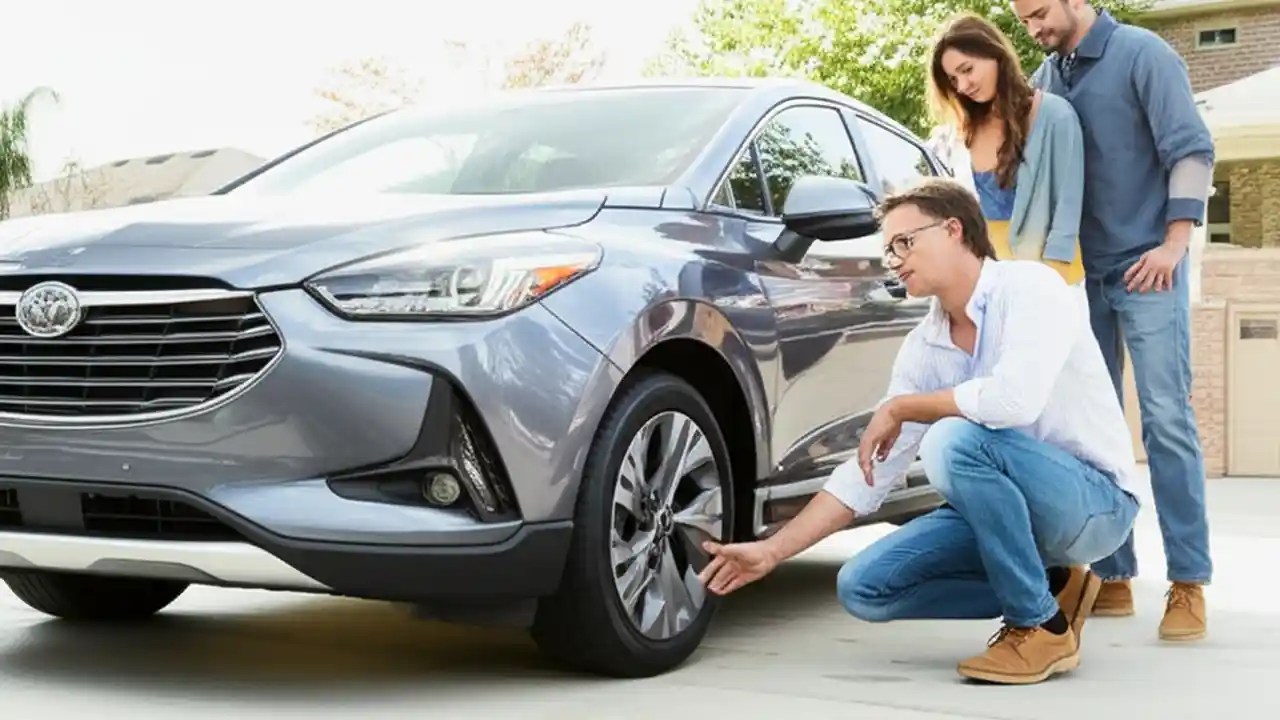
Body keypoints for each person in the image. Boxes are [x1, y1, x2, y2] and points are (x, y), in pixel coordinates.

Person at [698, 178, 1140, 685]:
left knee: (953, 439)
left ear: (954, 230)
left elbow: (1014, 402)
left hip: (1092, 503)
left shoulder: (1031, 288)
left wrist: (907, 407)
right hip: (1005, 515)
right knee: (864, 587)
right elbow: (869, 474)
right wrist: (772, 551)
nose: (894, 259)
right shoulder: (923, 347)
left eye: (905, 242)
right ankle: (1056, 586)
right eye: (888, 250)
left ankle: (1037, 625)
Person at [1010, 0, 1214, 641]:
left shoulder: (1143, 54)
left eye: (1039, 12)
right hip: (1078, 280)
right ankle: (1113, 573)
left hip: (1147, 267)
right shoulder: (1047, 77)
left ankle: (1188, 583)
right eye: (1023, 21)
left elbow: (1190, 149)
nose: (1034, 28)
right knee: (1089, 430)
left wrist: (1175, 245)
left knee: (1166, 420)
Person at [927, 13, 1087, 289]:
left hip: (1053, 279)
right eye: (953, 80)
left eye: (967, 70)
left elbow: (1067, 209)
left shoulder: (1055, 116)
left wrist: (1051, 285)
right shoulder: (960, 136)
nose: (963, 86)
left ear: (995, 55)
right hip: (991, 283)